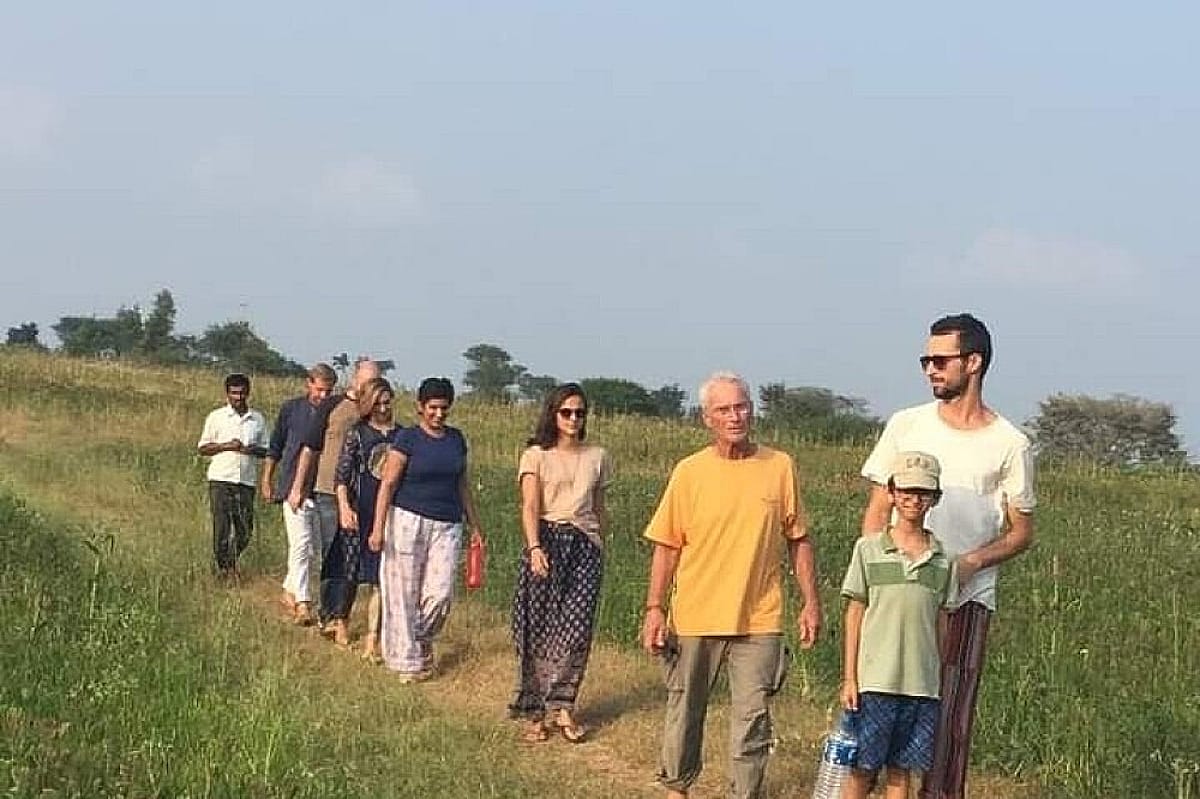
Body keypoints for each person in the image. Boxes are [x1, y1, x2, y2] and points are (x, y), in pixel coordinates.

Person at [860, 313, 1036, 799]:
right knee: (875, 714)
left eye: (940, 360)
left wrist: (971, 564)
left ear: (973, 362)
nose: (930, 370)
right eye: (925, 361)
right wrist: (874, 579)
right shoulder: (906, 425)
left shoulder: (1010, 443)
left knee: (947, 722)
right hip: (897, 599)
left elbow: (1021, 532)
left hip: (966, 600)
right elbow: (876, 511)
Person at [640, 371, 821, 799]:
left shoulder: (779, 466)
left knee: (752, 718)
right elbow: (666, 546)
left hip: (760, 616)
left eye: (741, 406)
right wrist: (654, 609)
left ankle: (745, 793)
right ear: (707, 418)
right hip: (696, 616)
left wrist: (811, 602)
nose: (735, 416)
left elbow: (799, 539)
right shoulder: (689, 472)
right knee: (686, 710)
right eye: (724, 409)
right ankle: (677, 786)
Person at [841, 451, 958, 799]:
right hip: (875, 679)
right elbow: (855, 612)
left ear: (934, 499)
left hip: (921, 685)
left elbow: (941, 619)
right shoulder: (869, 549)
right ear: (892, 493)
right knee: (862, 768)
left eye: (923, 493)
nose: (913, 499)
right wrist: (850, 677)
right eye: (906, 490)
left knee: (902, 772)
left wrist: (938, 677)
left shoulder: (942, 559)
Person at [509, 383, 613, 743]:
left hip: (584, 545)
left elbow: (598, 506)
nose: (573, 418)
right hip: (547, 540)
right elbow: (529, 506)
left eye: (579, 412)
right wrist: (535, 546)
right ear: (553, 414)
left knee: (576, 629)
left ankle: (565, 706)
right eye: (566, 411)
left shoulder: (598, 456)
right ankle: (536, 711)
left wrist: (601, 543)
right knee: (537, 629)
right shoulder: (536, 455)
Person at [368, 377, 484, 682]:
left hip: (447, 523)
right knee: (403, 590)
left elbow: (463, 483)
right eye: (433, 408)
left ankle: (419, 638)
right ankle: (407, 663)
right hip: (408, 518)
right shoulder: (408, 439)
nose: (439, 414)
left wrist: (475, 523)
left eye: (444, 408)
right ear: (421, 408)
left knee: (440, 593)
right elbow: (388, 483)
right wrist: (378, 528)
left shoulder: (456, 439)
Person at [287, 358, 382, 642]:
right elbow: (310, 448)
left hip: (361, 495)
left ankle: (341, 614)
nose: (369, 387)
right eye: (366, 381)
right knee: (333, 553)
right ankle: (328, 614)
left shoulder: (375, 413)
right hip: (328, 489)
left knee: (353, 559)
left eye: (374, 382)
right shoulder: (333, 406)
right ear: (354, 379)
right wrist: (298, 486)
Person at [261, 362, 337, 625]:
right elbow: (275, 447)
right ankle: (303, 601)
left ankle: (290, 589)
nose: (323, 396)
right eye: (319, 390)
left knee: (316, 550)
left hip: (323, 489)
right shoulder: (291, 409)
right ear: (309, 384)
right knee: (301, 544)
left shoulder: (335, 412)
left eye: (328, 391)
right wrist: (267, 480)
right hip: (292, 487)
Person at [333, 376, 399, 662]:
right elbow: (342, 476)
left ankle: (373, 639)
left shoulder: (401, 435)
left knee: (380, 578)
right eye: (379, 403)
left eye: (388, 402)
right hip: (360, 508)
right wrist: (344, 507)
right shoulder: (357, 434)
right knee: (351, 573)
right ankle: (342, 619)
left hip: (388, 511)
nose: (384, 408)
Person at [196, 373, 269, 582]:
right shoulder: (216, 417)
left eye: (242, 393)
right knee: (222, 526)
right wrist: (226, 446)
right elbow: (203, 448)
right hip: (221, 478)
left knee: (245, 528)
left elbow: (268, 450)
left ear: (248, 393)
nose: (238, 397)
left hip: (246, 480)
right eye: (234, 393)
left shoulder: (257, 419)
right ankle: (224, 569)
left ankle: (230, 561)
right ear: (227, 394)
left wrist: (252, 450)